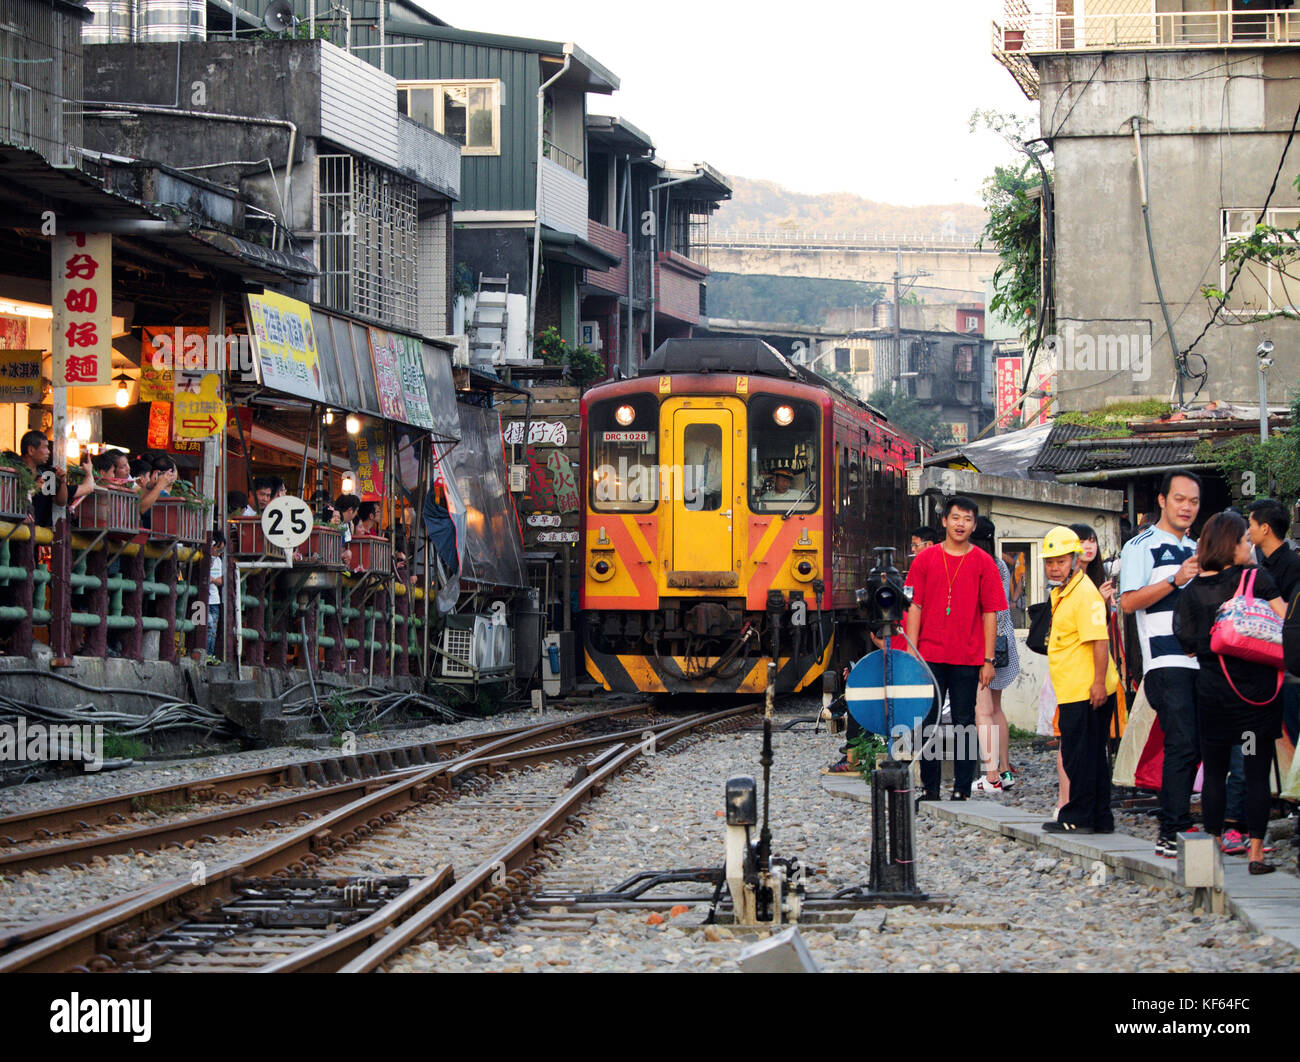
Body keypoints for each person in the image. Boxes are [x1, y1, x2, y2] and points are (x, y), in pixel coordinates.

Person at [1174, 512, 1287, 874]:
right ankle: (1255, 853)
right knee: (1255, 771)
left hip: (1214, 700)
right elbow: (1284, 621)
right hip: (1255, 701)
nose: (1248, 544)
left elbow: (1189, 646)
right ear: (1232, 544)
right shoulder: (1258, 579)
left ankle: (1211, 851)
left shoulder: (1192, 593)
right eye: (1244, 540)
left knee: (1216, 771)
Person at [1119, 469, 1202, 859]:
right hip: (1165, 661)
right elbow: (1128, 602)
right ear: (1163, 501)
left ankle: (1192, 823)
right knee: (1182, 742)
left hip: (1203, 663)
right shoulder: (1142, 546)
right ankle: (1172, 829)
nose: (1187, 507)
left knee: (1197, 744)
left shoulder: (1201, 547)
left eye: (1194, 501)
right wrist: (1175, 581)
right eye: (1180, 499)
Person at [904, 495, 1007, 802]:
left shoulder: (983, 562)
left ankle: (962, 787)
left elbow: (991, 613)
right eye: (956, 518)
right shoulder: (925, 559)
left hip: (967, 656)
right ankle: (930, 788)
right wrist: (912, 652)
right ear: (945, 521)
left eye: (967, 519)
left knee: (965, 722)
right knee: (927, 722)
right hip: (929, 656)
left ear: (974, 525)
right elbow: (915, 606)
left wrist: (988, 659)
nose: (961, 524)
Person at [1040, 526, 1118, 834]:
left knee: (1079, 755)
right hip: (1075, 687)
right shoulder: (1064, 592)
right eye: (1049, 562)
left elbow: (1099, 641)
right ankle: (1100, 817)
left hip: (1086, 689)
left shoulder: (1085, 594)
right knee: (1091, 754)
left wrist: (1098, 684)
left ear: (1074, 559)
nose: (1054, 567)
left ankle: (1078, 816)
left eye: (1060, 561)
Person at [971, 516, 1020, 793]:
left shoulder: (977, 564)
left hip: (984, 644)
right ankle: (1004, 769)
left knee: (983, 710)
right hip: (1005, 641)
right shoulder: (1000, 564)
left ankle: (991, 778)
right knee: (998, 709)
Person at [1248, 498, 1300, 748]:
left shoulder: (1293, 566)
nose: (1248, 531)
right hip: (1269, 664)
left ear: (1265, 528)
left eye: (1251, 524)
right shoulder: (1262, 566)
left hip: (1291, 667)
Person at [19, 429, 68, 528]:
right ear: (31, 450)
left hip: (41, 536)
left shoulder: (46, 475)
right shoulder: (15, 472)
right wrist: (33, 488)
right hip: (16, 533)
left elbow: (60, 501)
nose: (49, 452)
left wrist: (62, 482)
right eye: (45, 447)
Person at [207, 530, 225, 661]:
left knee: (212, 630)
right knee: (201, 625)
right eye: (217, 549)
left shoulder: (218, 561)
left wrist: (212, 579)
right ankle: (202, 653)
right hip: (202, 601)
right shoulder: (201, 556)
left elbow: (222, 580)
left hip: (214, 600)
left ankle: (209, 655)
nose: (218, 552)